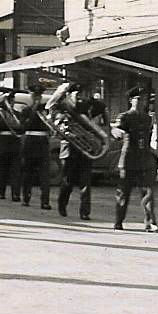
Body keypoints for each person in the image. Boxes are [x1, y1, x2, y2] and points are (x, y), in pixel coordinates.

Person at [51, 81, 105, 220]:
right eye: (74, 93)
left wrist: (93, 99)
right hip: (69, 147)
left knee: (85, 182)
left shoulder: (85, 106)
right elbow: (50, 109)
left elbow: (101, 107)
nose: (77, 96)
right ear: (68, 94)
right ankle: (62, 205)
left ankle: (85, 212)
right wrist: (60, 94)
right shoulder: (61, 107)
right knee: (67, 180)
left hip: (85, 147)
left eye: (79, 94)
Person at [112, 86, 158, 231]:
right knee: (123, 194)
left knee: (148, 193)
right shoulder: (125, 116)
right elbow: (116, 129)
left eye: (143, 99)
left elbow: (148, 138)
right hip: (128, 160)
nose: (141, 102)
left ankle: (150, 222)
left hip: (144, 159)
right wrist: (117, 132)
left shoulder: (147, 119)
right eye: (137, 99)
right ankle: (119, 221)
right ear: (131, 100)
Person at [14, 83, 53, 209]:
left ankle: (45, 201)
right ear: (31, 96)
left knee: (45, 175)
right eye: (35, 95)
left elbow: (51, 127)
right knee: (27, 173)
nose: (37, 98)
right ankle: (26, 198)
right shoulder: (25, 110)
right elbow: (24, 126)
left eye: (39, 96)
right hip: (30, 142)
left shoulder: (46, 110)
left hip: (43, 143)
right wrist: (34, 109)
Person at [0, 91, 21, 201]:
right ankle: (2, 192)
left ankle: (15, 194)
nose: (12, 104)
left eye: (12, 101)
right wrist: (2, 121)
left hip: (15, 143)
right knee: (3, 170)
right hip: (3, 143)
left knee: (15, 171)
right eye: (10, 101)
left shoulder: (17, 114)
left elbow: (22, 128)